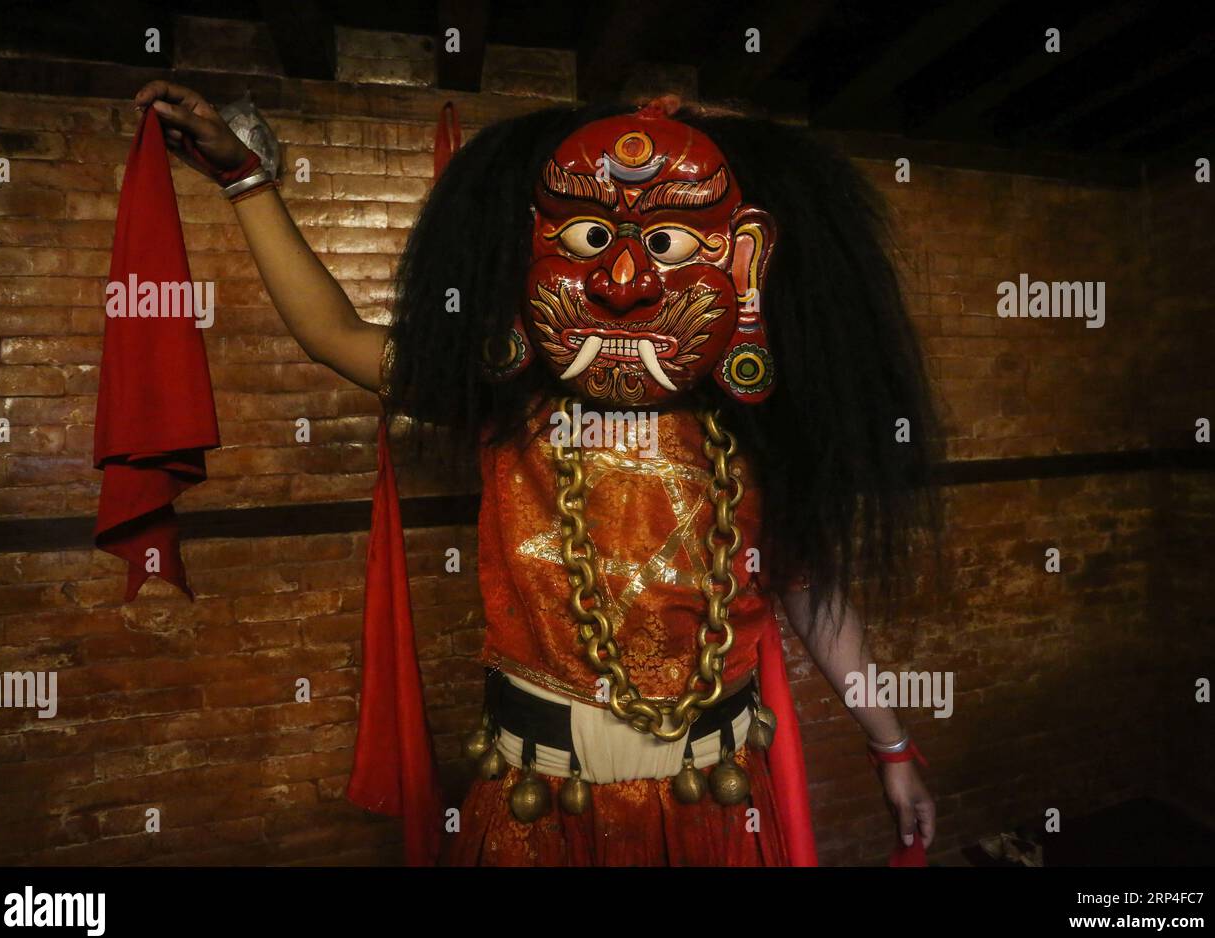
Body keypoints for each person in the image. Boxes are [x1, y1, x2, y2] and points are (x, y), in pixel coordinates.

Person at [132, 80, 940, 866]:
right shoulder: (509, 402)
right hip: (539, 807)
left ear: (745, 259)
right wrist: (246, 179)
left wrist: (892, 745)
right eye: (591, 237)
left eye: (665, 244)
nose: (623, 282)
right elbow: (331, 331)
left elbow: (810, 594)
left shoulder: (761, 426)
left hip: (714, 809)